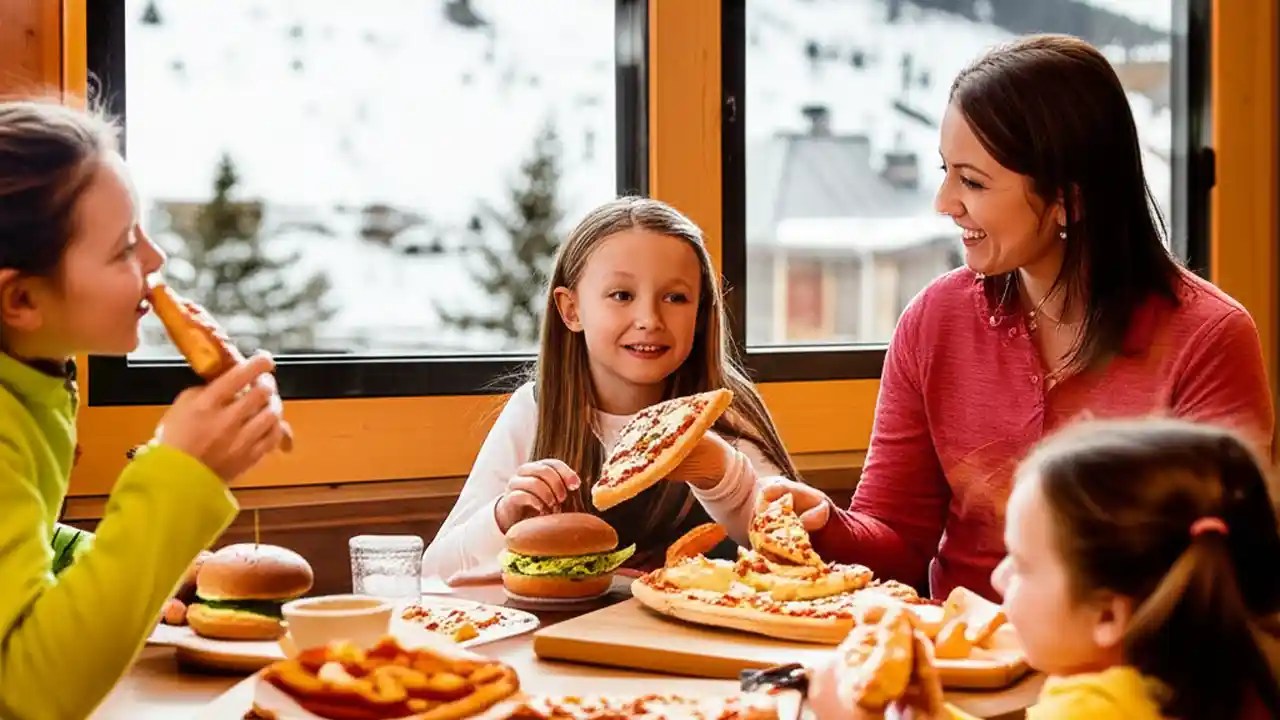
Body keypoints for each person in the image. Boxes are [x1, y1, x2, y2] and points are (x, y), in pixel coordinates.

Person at [762, 34, 1273, 601]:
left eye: (973, 181)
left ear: (1069, 200)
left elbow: (1219, 582)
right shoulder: (934, 321)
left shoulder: (1209, 338)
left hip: (1122, 677)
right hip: (959, 669)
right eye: (946, 171)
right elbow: (899, 546)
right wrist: (824, 523)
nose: (944, 201)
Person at [0, 99, 288, 719]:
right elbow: (28, 689)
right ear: (21, 298)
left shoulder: (30, 382)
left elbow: (21, 539)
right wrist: (180, 476)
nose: (156, 262)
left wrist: (136, 566)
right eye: (124, 248)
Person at [422, 197, 798, 582]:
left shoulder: (724, 413)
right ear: (571, 310)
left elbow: (798, 555)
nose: (649, 319)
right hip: (564, 639)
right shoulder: (535, 410)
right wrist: (505, 517)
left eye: (675, 297)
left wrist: (723, 478)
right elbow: (435, 572)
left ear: (701, 314)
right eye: (622, 295)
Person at [809, 419, 1280, 719]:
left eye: (1023, 564)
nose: (999, 578)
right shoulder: (1196, 687)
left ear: (1108, 617)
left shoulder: (1093, 707)